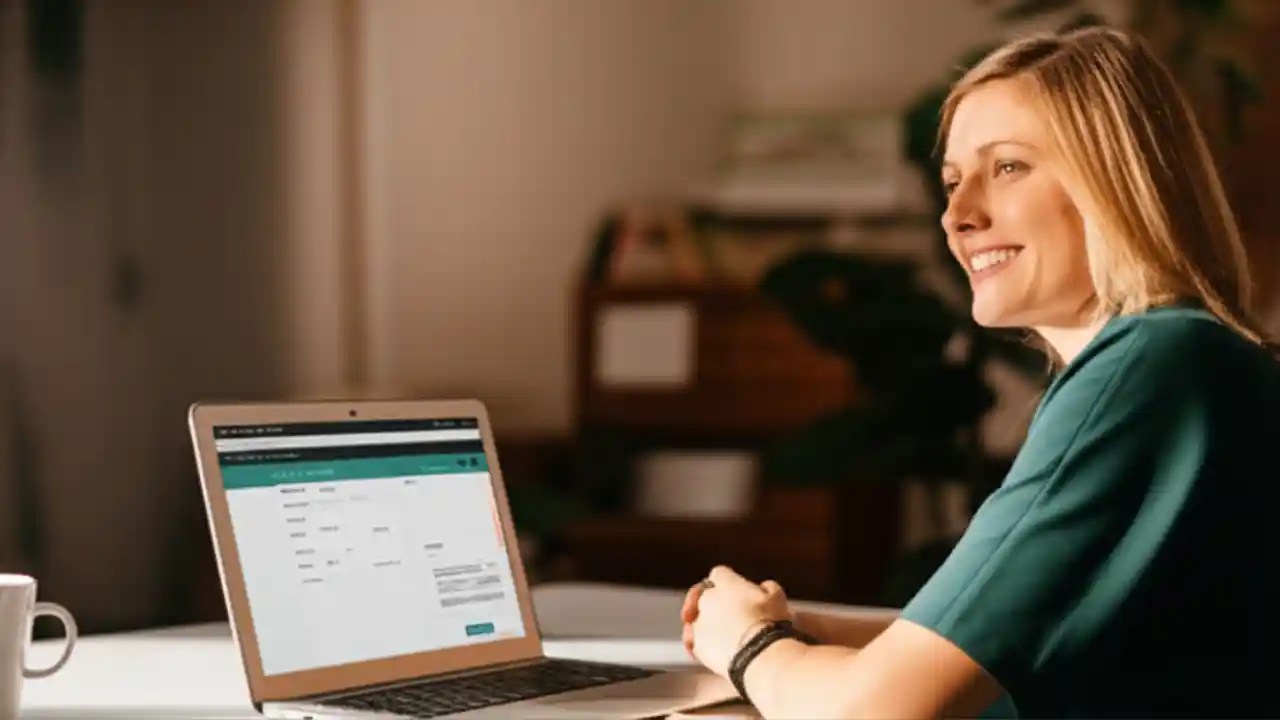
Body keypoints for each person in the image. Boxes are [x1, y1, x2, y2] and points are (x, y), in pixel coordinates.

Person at [681, 26, 1280, 718]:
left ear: (1118, 180)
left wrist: (751, 645)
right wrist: (811, 634)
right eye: (952, 182)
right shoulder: (1201, 364)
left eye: (1007, 168)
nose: (957, 217)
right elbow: (1075, 645)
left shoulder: (1149, 365)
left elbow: (875, 713)